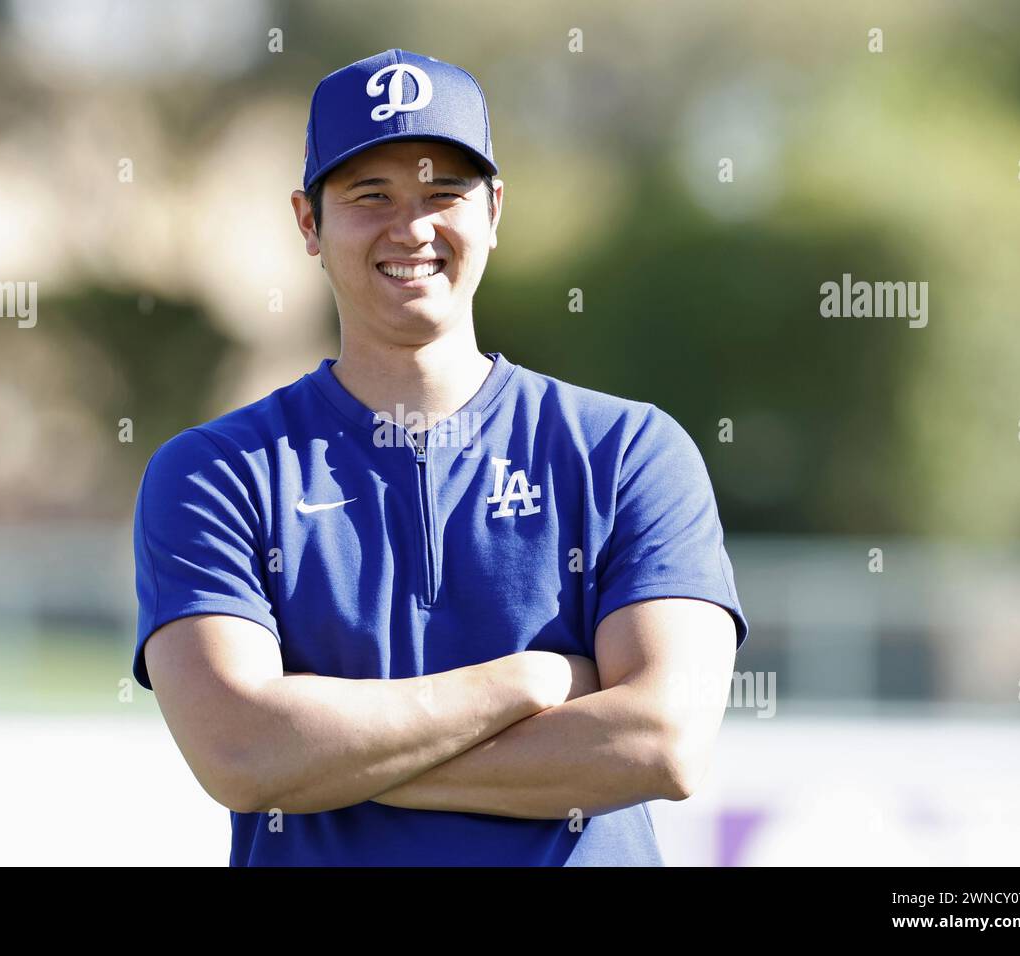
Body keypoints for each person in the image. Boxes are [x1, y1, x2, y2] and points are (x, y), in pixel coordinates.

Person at [132, 48, 749, 866]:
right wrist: (530, 683)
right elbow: (243, 754)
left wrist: (336, 755)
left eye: (443, 193)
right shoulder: (216, 472)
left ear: (494, 210)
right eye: (370, 195)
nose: (411, 228)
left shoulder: (627, 450)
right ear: (308, 222)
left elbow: (664, 742)